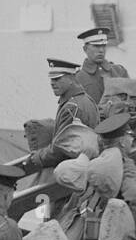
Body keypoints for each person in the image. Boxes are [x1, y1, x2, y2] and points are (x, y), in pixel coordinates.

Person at [23, 59, 101, 187]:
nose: (52, 83)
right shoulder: (84, 100)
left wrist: (38, 157)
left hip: (74, 172)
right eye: (51, 80)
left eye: (57, 79)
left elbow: (62, 148)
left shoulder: (71, 107)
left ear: (71, 78)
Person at [74, 27, 129, 107]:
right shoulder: (78, 78)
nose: (101, 50)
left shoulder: (119, 71)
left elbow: (132, 98)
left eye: (103, 46)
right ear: (85, 49)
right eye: (96, 46)